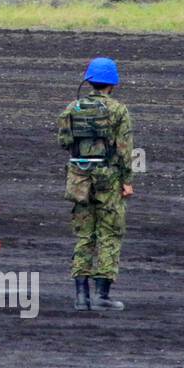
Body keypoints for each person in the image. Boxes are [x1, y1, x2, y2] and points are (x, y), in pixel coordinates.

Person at [58, 57, 134, 311]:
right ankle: (102, 295)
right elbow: (125, 151)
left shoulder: (72, 109)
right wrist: (127, 181)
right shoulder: (119, 111)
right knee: (110, 234)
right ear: (112, 84)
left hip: (79, 179)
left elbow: (64, 141)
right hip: (108, 180)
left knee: (84, 236)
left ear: (89, 81)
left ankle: (81, 297)